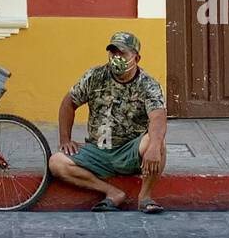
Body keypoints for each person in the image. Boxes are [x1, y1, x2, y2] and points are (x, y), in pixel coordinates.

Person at [49, 32, 167, 213]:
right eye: (113, 53)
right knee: (56, 163)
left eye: (123, 53)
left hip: (130, 151)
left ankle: (145, 197)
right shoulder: (95, 76)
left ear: (136, 57)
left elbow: (158, 117)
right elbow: (68, 103)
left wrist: (154, 146)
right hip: (97, 150)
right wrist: (65, 139)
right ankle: (112, 193)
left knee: (158, 144)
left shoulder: (148, 84)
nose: (117, 58)